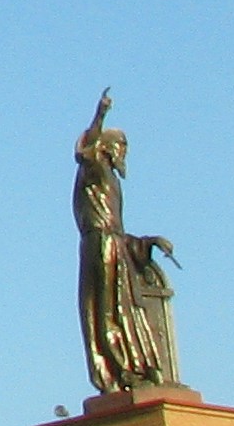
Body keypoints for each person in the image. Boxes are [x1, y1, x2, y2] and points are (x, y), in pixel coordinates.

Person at [72, 92, 180, 394]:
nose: (123, 155)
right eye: (120, 148)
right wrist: (100, 114)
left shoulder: (111, 179)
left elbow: (117, 230)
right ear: (106, 148)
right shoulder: (94, 170)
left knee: (127, 308)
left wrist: (148, 243)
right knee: (108, 309)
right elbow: (85, 149)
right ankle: (121, 369)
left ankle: (138, 367)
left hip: (114, 243)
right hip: (100, 244)